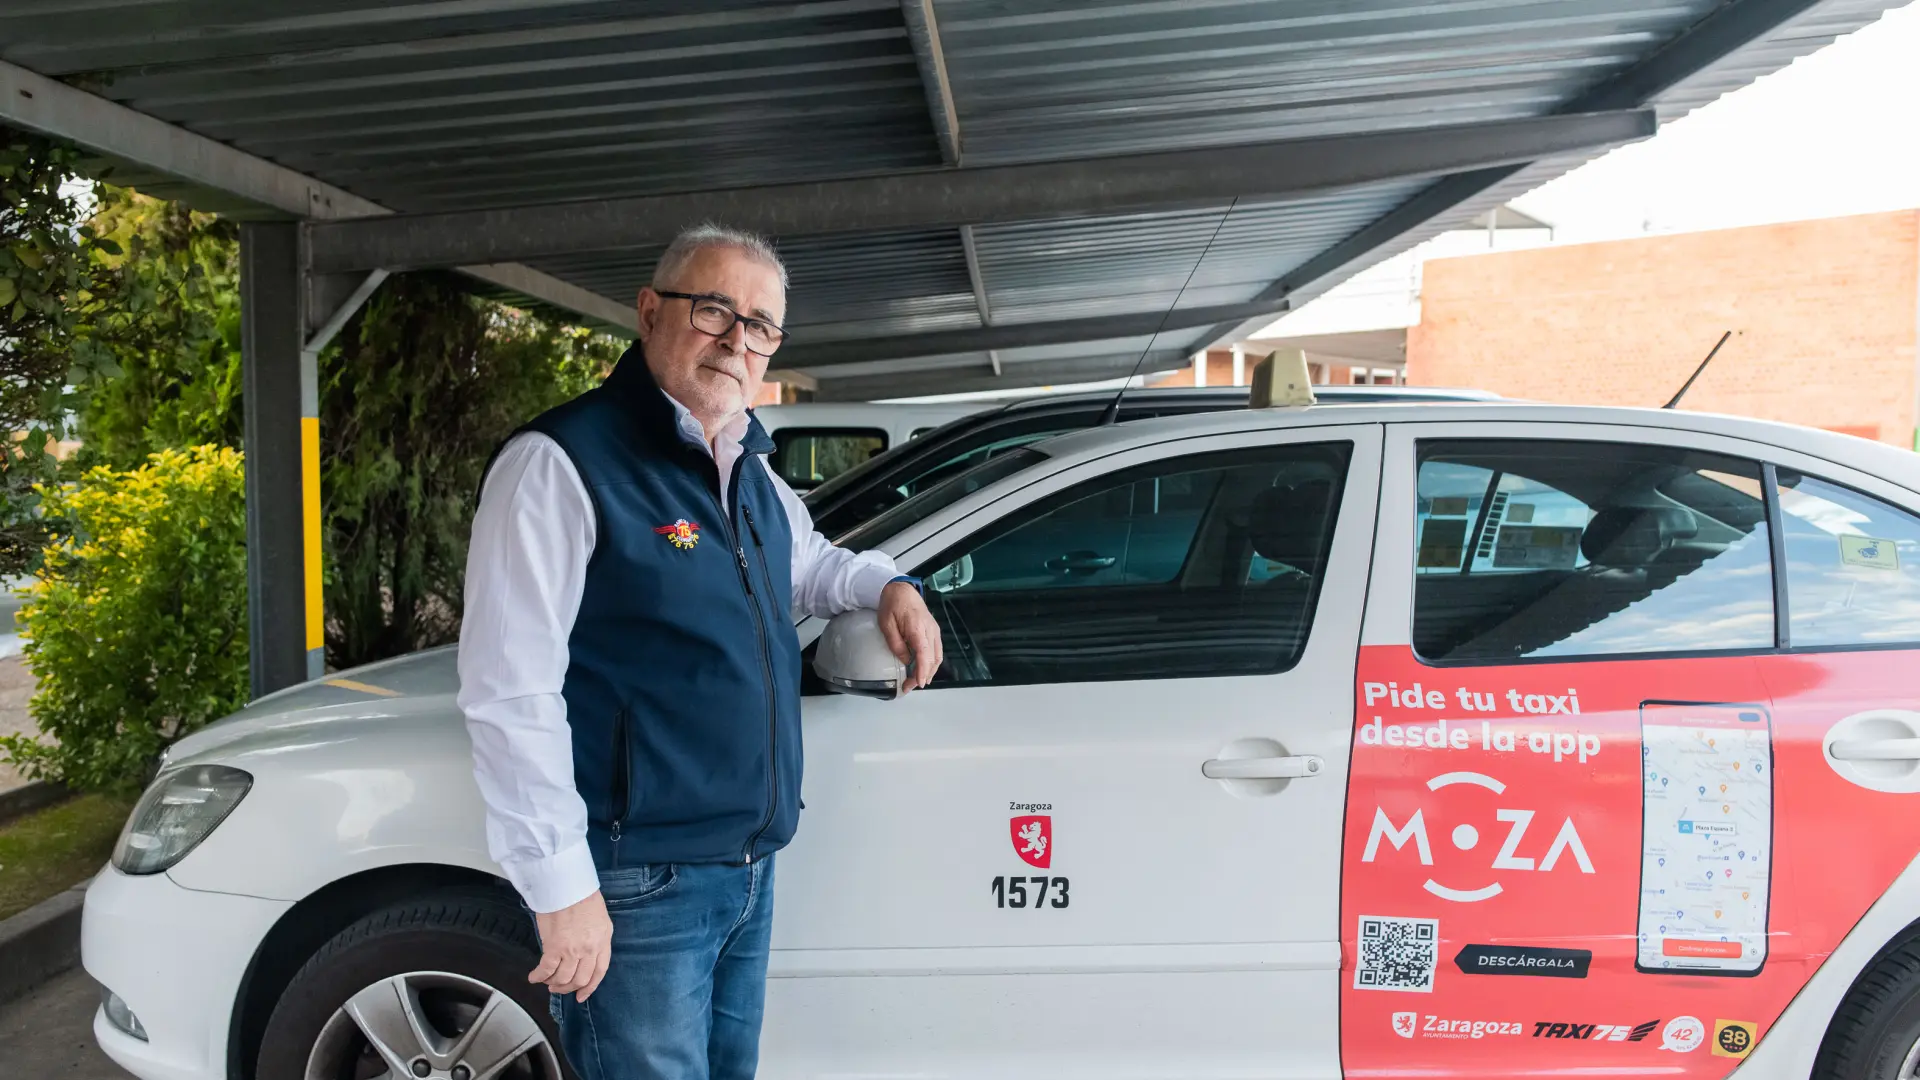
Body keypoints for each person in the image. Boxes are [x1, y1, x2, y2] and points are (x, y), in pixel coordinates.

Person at [457, 222, 943, 1080]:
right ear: (650, 312)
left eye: (760, 325)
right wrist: (564, 890)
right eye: (714, 310)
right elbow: (509, 692)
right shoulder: (561, 464)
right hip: (638, 882)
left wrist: (887, 586)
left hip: (745, 867)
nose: (737, 341)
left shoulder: (747, 467)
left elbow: (814, 567)